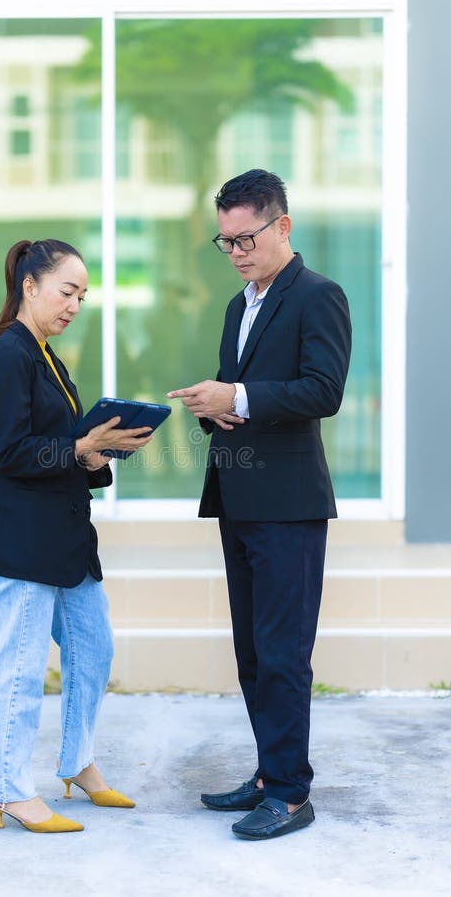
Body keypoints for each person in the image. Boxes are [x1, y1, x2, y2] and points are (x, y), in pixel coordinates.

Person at [168, 169, 352, 840]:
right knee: (252, 651)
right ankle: (271, 774)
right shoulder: (237, 306)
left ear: (283, 227)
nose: (238, 251)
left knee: (282, 652)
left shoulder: (318, 296)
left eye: (246, 238)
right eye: (226, 242)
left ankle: (293, 795)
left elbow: (323, 391)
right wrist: (214, 411)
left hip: (289, 504)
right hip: (241, 497)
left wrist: (238, 398)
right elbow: (237, 394)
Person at [0, 238, 153, 833]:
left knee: (93, 650)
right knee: (17, 668)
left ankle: (77, 763)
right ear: (30, 287)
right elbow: (10, 451)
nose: (74, 305)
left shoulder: (47, 357)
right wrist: (79, 447)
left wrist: (96, 456)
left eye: (82, 297)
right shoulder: (7, 359)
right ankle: (7, 789)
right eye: (67, 291)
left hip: (64, 541)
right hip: (22, 541)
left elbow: (62, 445)